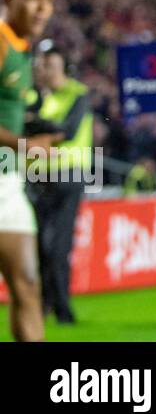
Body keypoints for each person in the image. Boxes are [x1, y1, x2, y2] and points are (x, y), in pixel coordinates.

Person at [0, 0, 57, 341]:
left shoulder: (21, 51)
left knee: (28, 285)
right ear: (9, 0)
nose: (42, 9)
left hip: (7, 180)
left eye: (49, 1)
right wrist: (24, 145)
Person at [29, 44, 92, 324]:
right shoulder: (33, 96)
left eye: (51, 67)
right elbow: (18, 127)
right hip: (36, 178)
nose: (46, 72)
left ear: (64, 69)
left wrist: (37, 123)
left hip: (68, 177)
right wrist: (43, 126)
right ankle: (46, 305)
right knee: (41, 246)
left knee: (58, 247)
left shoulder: (78, 94)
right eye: (43, 66)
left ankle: (62, 308)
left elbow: (68, 131)